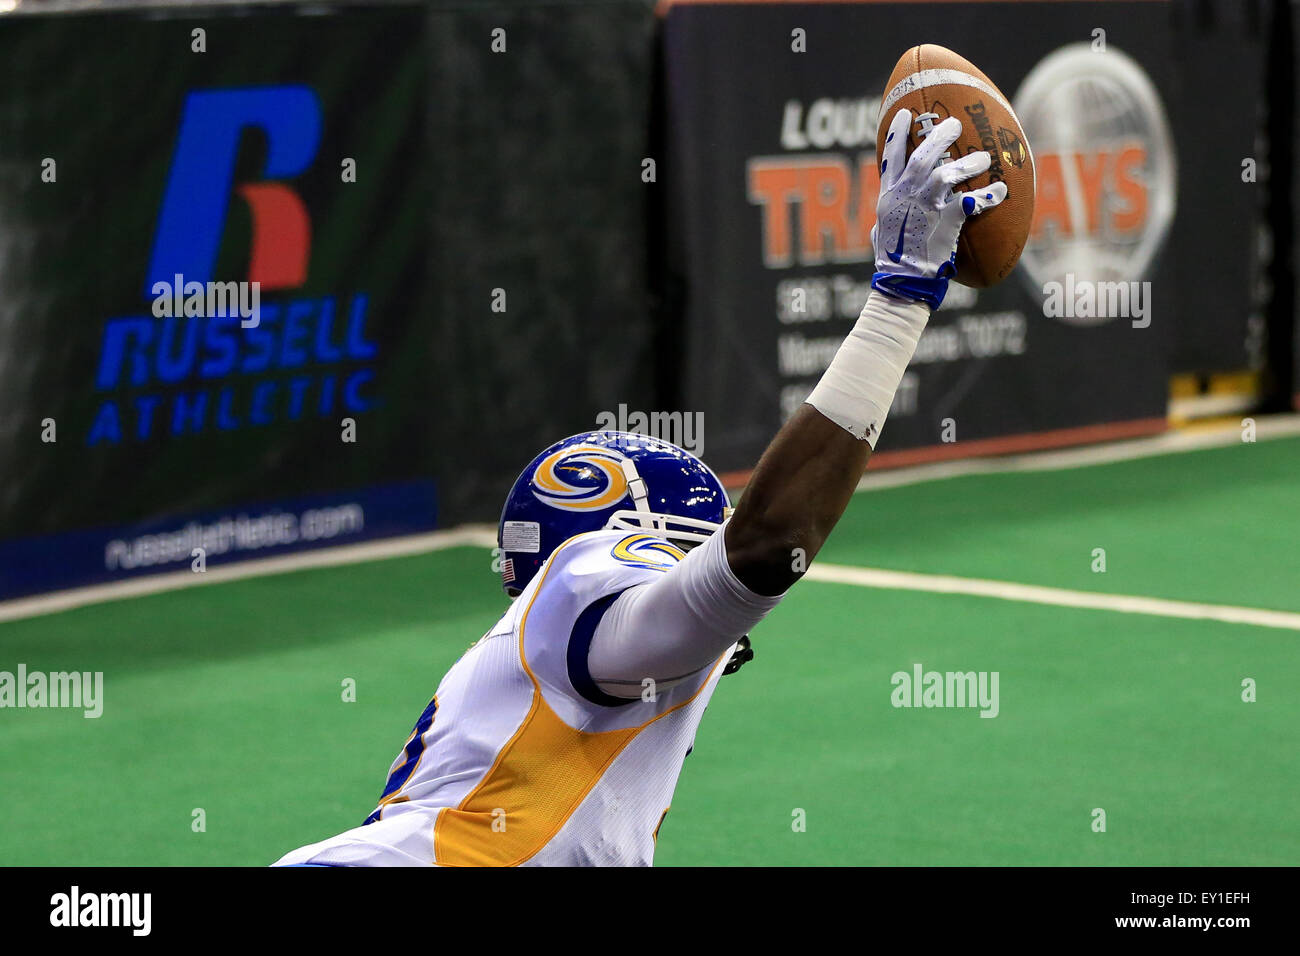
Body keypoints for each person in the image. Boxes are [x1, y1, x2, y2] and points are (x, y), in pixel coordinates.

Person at [273, 109, 1005, 866]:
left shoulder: (577, 679)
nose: (710, 576)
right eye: (690, 546)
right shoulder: (583, 585)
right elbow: (764, 547)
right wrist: (900, 299)